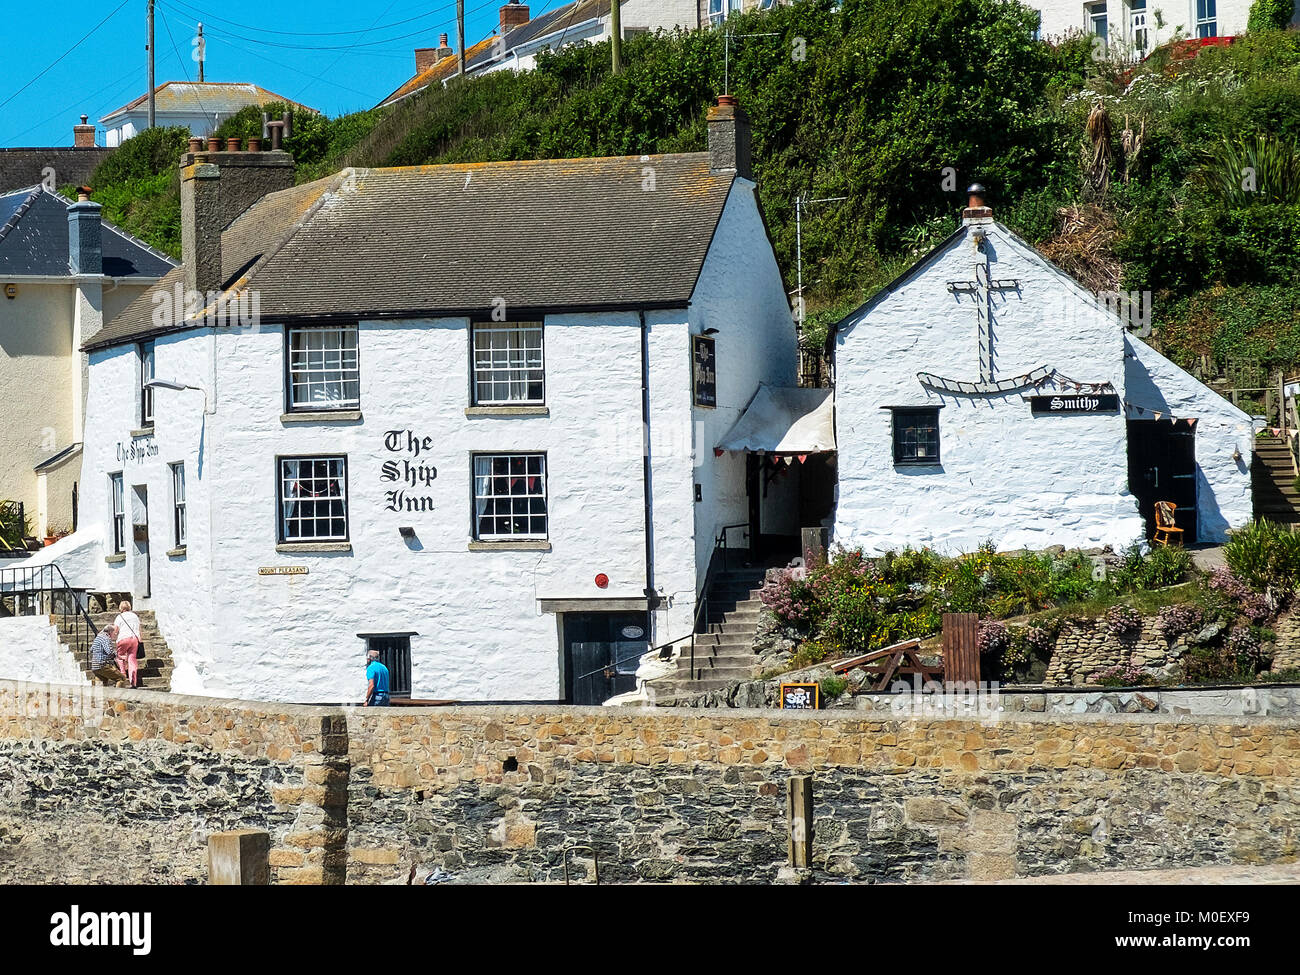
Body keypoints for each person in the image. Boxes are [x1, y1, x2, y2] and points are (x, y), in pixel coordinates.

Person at [112, 600, 142, 688]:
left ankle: (123, 674)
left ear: (121, 608)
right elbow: (139, 629)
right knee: (132, 659)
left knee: (119, 656)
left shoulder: (119, 617)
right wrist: (140, 640)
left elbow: (115, 630)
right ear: (129, 607)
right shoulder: (135, 616)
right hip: (135, 639)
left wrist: (113, 636)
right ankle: (133, 682)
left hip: (123, 639)